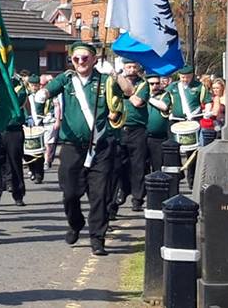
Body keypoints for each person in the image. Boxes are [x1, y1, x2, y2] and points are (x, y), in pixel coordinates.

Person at [34, 42, 133, 256]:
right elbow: (48, 91)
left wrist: (115, 74)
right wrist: (42, 95)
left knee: (100, 195)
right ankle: (75, 222)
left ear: (94, 59)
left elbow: (129, 91)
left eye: (85, 58)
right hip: (72, 147)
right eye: (76, 58)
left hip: (101, 147)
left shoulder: (105, 80)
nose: (80, 62)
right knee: (70, 193)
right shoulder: (67, 80)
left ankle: (97, 237)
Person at [0, 71, 29, 214]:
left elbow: (18, 100)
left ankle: (18, 193)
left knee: (14, 162)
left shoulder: (16, 84)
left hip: (12, 128)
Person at [166, 65, 212, 187]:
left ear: (192, 76)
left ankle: (192, 180)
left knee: (191, 151)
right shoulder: (173, 87)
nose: (184, 79)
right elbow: (166, 101)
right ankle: (177, 175)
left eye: (187, 77)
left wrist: (207, 112)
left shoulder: (199, 87)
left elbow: (207, 101)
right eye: (182, 77)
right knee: (174, 150)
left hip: (193, 121)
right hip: (176, 122)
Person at [117, 59, 150, 212]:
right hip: (120, 128)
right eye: (128, 67)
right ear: (124, 67)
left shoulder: (143, 84)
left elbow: (137, 101)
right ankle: (122, 191)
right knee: (120, 165)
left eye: (134, 67)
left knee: (138, 165)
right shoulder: (117, 82)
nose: (131, 69)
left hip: (137, 130)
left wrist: (125, 91)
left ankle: (137, 198)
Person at [27, 74, 55, 183]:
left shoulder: (43, 96)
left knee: (39, 150)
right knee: (28, 151)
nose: (34, 87)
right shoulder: (26, 96)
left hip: (40, 125)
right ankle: (32, 170)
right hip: (28, 125)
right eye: (32, 85)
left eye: (36, 85)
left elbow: (49, 108)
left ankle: (39, 174)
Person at [145, 73, 172, 172]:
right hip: (142, 135)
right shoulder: (140, 94)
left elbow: (164, 106)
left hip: (158, 137)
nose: (155, 86)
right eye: (151, 84)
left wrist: (149, 98)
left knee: (158, 166)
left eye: (157, 83)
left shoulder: (164, 94)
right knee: (142, 166)